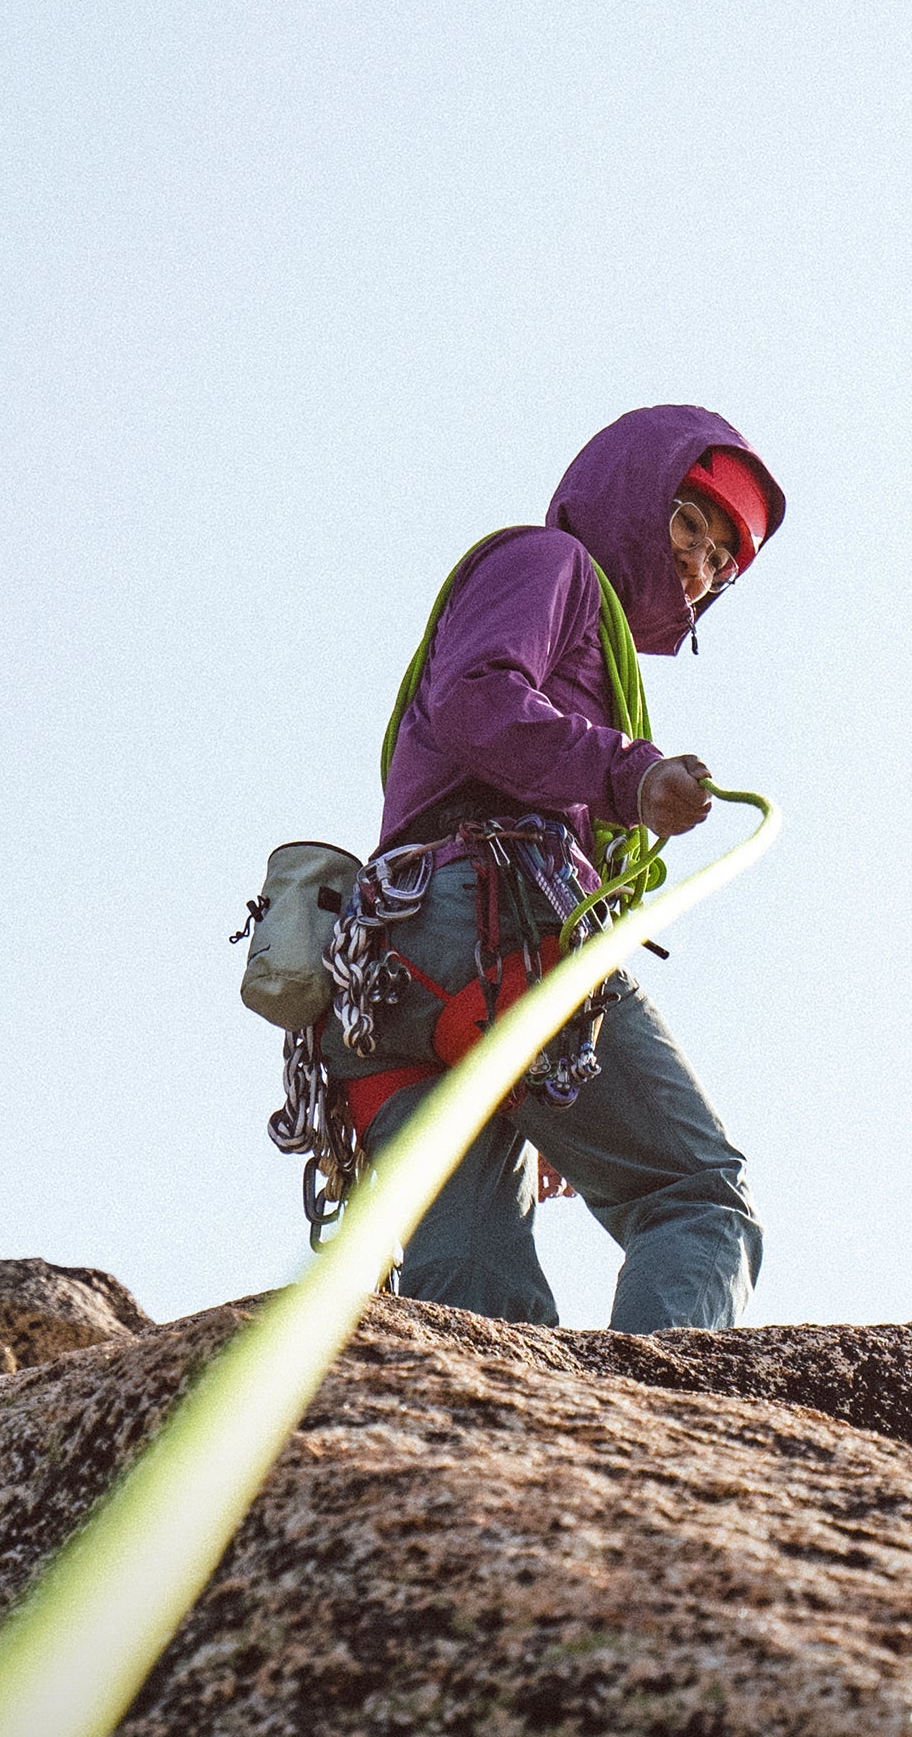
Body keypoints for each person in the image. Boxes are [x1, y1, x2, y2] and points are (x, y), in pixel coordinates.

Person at [295, 403, 784, 1331]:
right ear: (634, 495)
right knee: (695, 1197)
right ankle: (661, 1418)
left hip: (389, 986)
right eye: (690, 524)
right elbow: (479, 698)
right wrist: (631, 776)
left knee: (477, 1293)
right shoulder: (550, 564)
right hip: (493, 926)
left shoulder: (581, 630)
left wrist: (558, 1094)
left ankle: (484, 1430)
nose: (699, 564)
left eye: (722, 560)